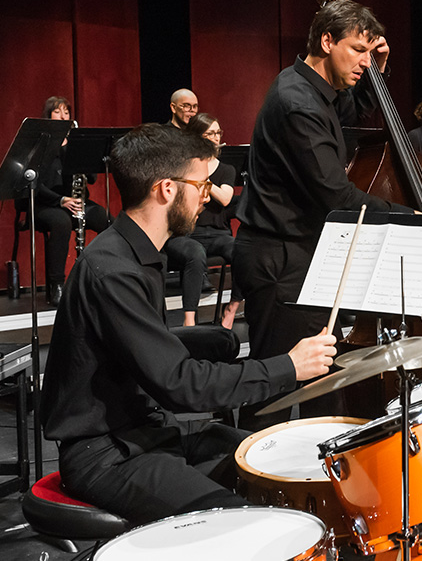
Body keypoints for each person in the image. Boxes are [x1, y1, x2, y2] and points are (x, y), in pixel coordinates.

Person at [40, 123, 338, 525]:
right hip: (107, 454)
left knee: (274, 466)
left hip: (146, 431)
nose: (207, 196)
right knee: (251, 520)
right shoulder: (113, 271)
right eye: (201, 184)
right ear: (166, 189)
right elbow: (180, 385)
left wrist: (209, 341)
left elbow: (140, 348)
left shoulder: (137, 253)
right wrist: (289, 366)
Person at [234, 0, 412, 430]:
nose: (364, 62)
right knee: (273, 391)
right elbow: (336, 196)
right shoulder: (298, 102)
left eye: (370, 53)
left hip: (297, 253)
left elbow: (351, 109)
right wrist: (411, 217)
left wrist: (378, 69)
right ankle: (245, 481)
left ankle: (305, 484)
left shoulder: (313, 88)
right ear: (327, 40)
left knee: (312, 381)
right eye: (357, 50)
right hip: (280, 258)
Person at [162, 113, 243, 328]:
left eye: (218, 133)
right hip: (187, 234)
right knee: (195, 254)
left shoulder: (226, 169)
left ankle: (233, 307)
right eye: (210, 134)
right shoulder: (182, 166)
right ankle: (190, 319)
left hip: (217, 234)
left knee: (241, 251)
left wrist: (201, 177)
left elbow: (226, 199)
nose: (216, 138)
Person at [31, 96, 112, 305]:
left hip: (75, 200)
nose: (63, 116)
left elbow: (92, 178)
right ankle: (56, 285)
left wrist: (80, 150)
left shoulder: (75, 141)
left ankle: (106, 275)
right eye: (58, 112)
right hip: (46, 202)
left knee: (105, 219)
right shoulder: (40, 143)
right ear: (48, 115)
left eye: (66, 112)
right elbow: (35, 185)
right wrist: (60, 200)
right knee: (61, 222)